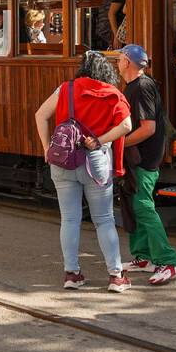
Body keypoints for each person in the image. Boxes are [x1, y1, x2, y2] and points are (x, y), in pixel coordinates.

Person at [34, 51, 133, 292]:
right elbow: (127, 126)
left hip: (64, 159)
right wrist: (99, 140)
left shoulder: (66, 89)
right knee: (104, 220)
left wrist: (47, 148)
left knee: (69, 219)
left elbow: (40, 115)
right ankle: (116, 276)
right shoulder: (112, 94)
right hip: (95, 163)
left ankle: (72, 274)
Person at [116, 44, 176, 286]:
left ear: (127, 62)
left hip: (144, 158)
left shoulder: (142, 87)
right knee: (135, 205)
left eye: (120, 59)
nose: (117, 63)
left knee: (143, 206)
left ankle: (170, 260)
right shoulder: (138, 85)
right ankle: (144, 256)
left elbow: (148, 128)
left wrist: (120, 142)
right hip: (142, 156)